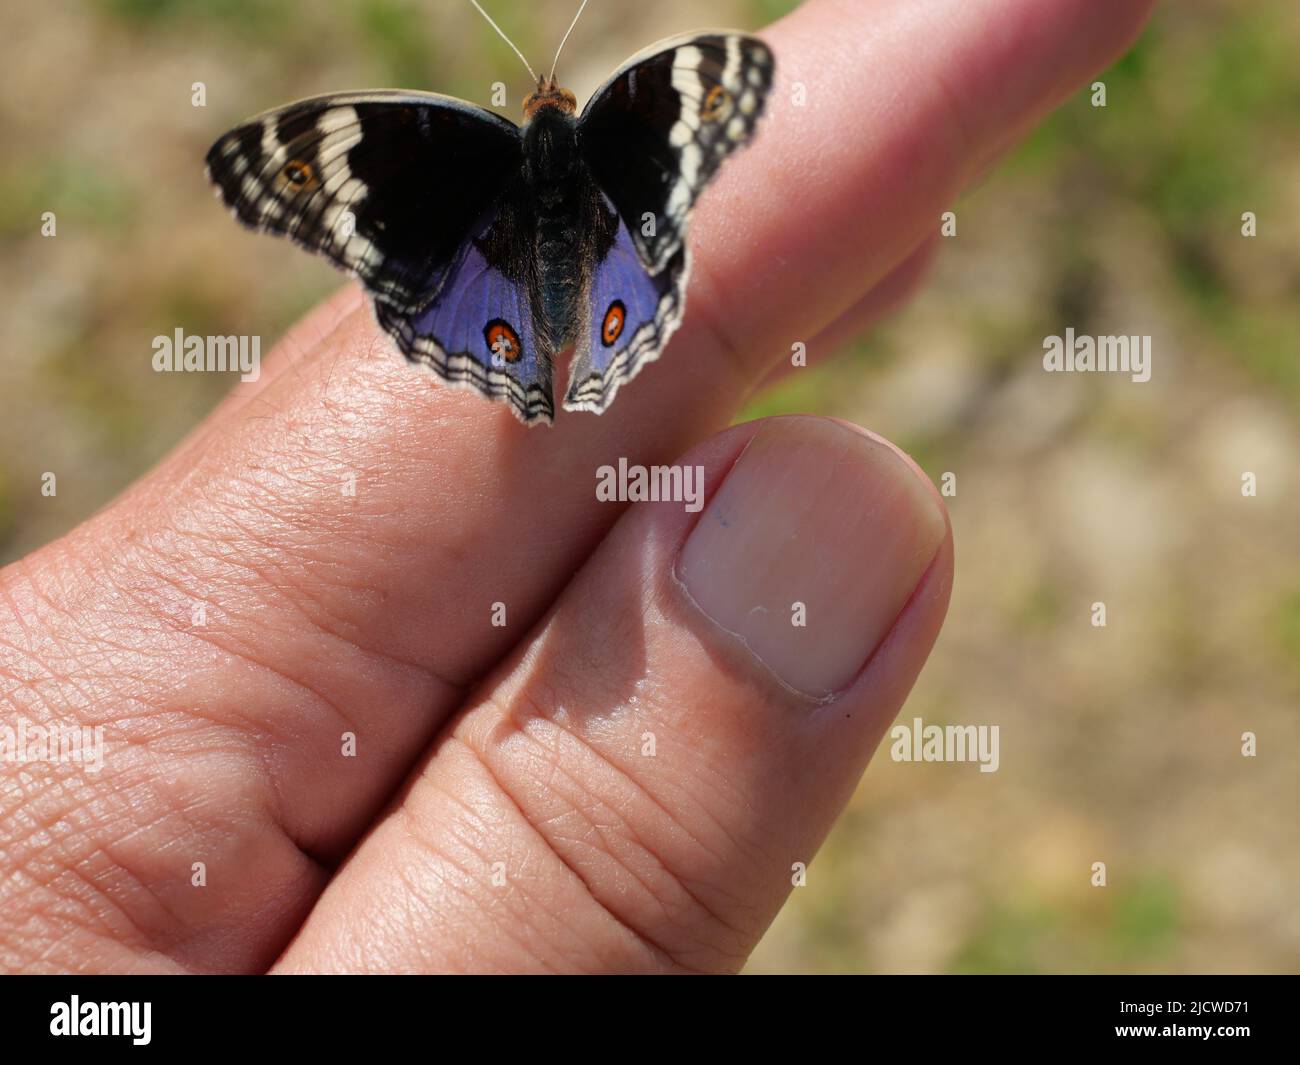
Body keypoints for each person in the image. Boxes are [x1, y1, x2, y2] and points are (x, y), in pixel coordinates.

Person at [0, 0, 1153, 973]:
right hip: (594, 268)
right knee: (598, 306)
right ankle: (569, 345)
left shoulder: (440, 140)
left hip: (505, 272)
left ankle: (542, 350)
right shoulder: (626, 112)